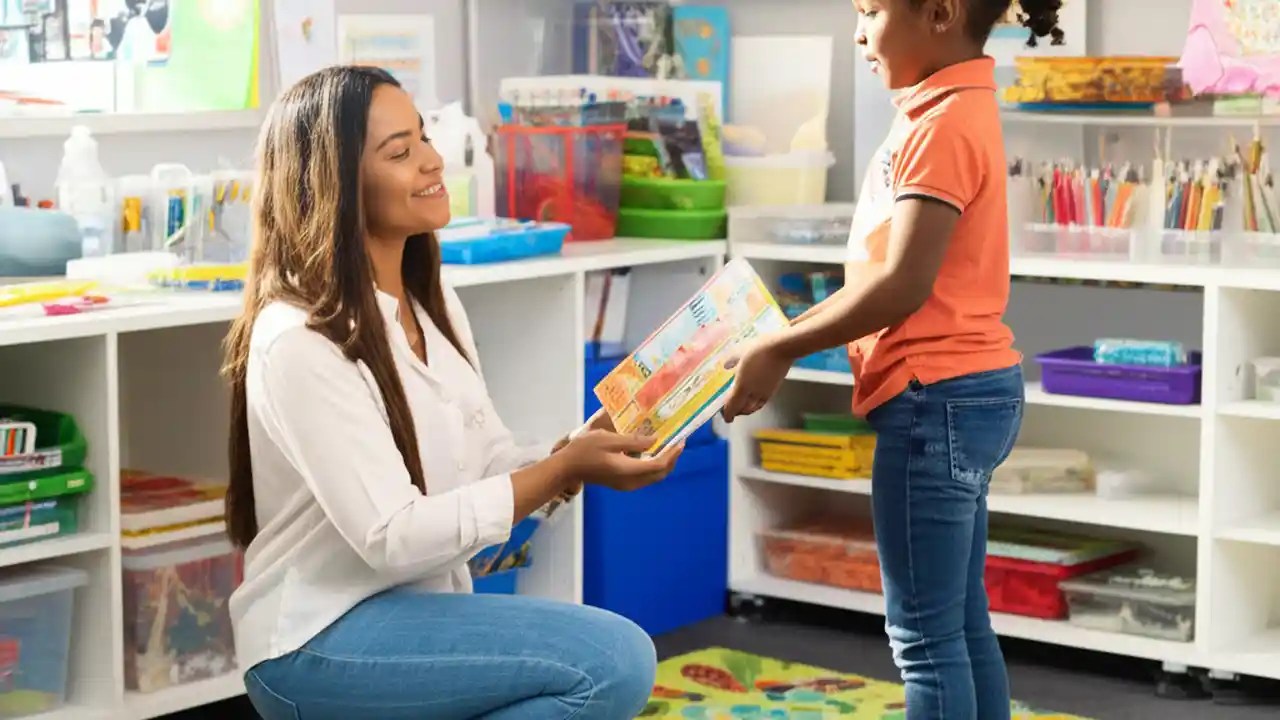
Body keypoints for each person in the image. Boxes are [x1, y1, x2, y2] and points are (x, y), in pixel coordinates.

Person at [222, 65, 684, 720]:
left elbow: (483, 460)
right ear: (336, 184)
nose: (434, 162)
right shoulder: (296, 337)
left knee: (606, 665)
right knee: (613, 662)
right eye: (400, 152)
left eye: (425, 139)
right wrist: (560, 470)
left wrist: (575, 453)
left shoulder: (425, 305)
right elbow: (393, 537)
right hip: (315, 639)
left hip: (409, 610)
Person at [720, 2, 1064, 719]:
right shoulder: (946, 109)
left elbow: (900, 286)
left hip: (933, 398)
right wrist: (777, 337)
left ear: (938, 13)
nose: (857, 33)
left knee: (923, 638)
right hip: (967, 391)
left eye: (871, 11)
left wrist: (781, 345)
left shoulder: (941, 126)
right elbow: (888, 277)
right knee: (959, 626)